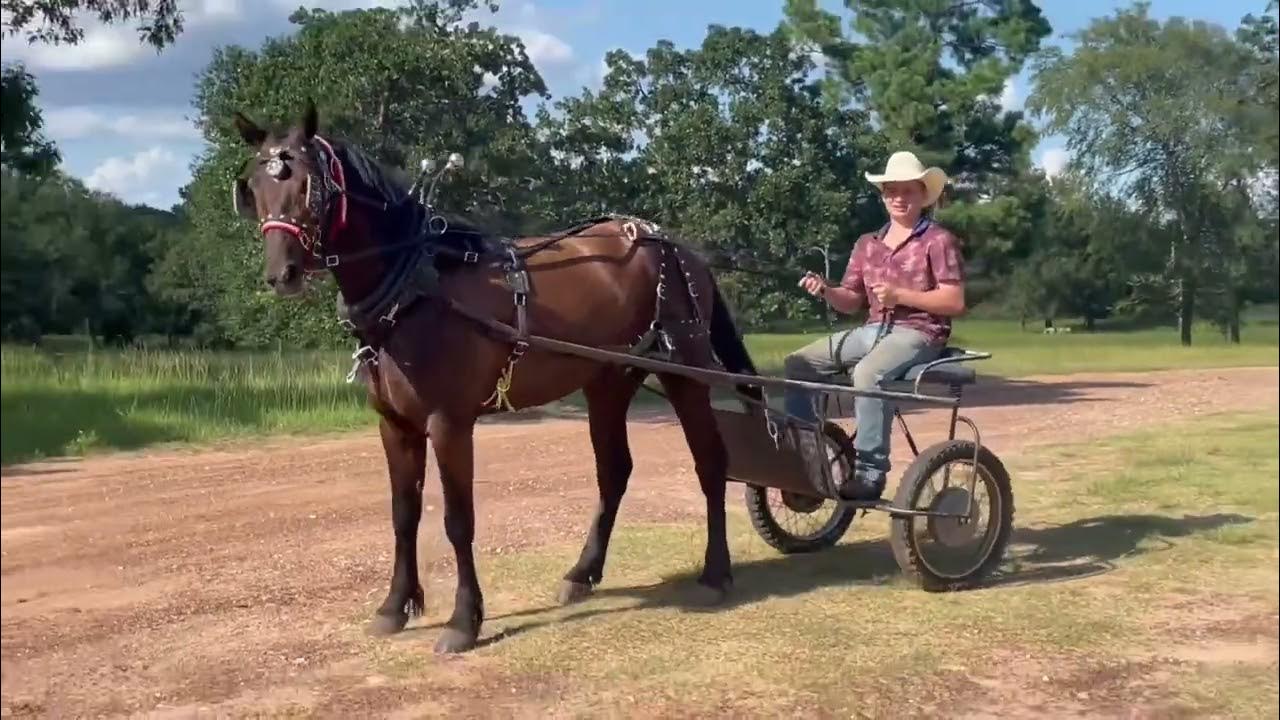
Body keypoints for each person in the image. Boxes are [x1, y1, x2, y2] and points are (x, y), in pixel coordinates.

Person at [784, 150, 967, 501]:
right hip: (872, 330)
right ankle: (806, 461)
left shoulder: (938, 240)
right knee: (798, 365)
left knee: (868, 374)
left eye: (907, 191)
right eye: (891, 191)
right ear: (883, 196)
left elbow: (954, 301)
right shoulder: (867, 244)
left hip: (919, 332)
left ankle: (870, 474)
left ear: (921, 196)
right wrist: (825, 290)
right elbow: (851, 298)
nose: (899, 198)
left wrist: (902, 296)